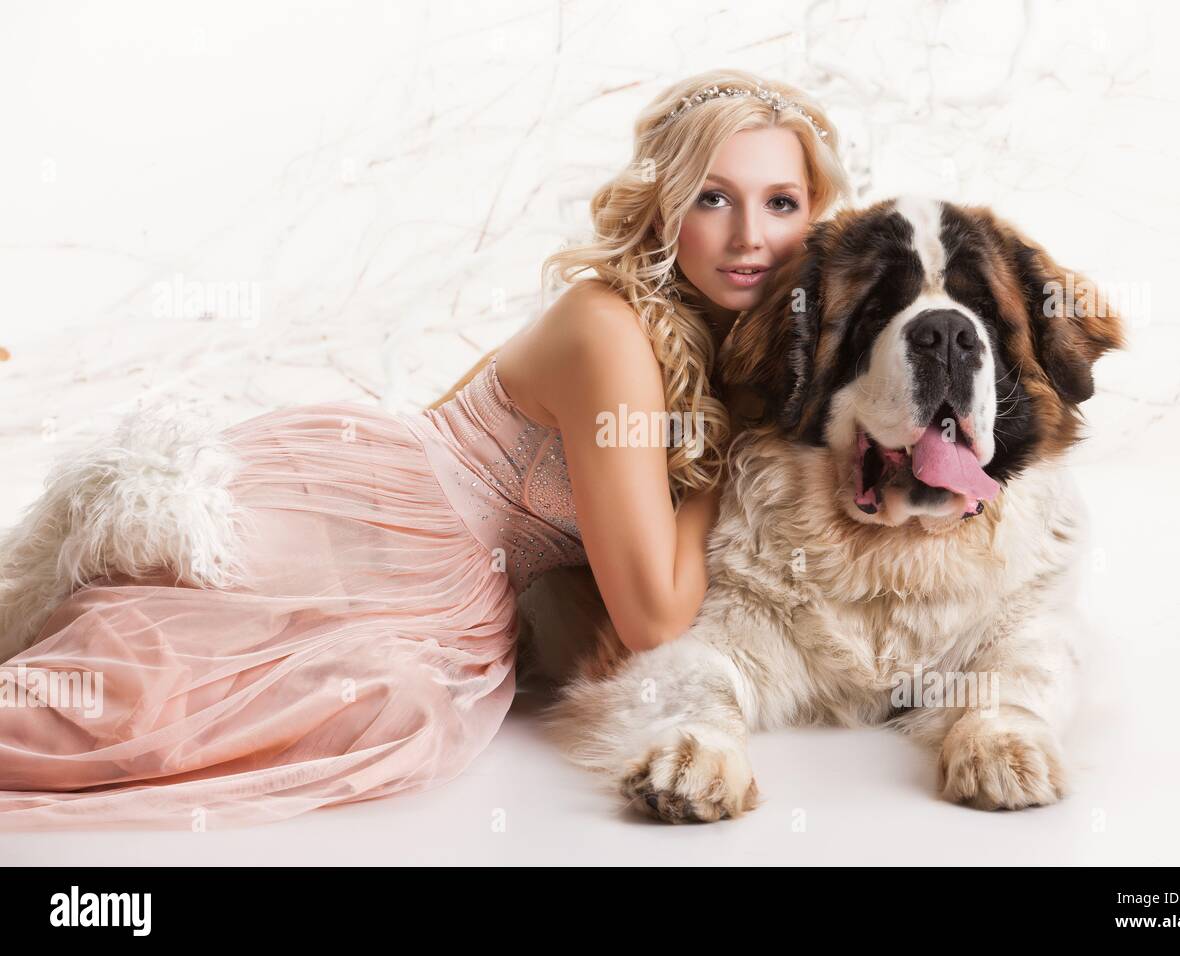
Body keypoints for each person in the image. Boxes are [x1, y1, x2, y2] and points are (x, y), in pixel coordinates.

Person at [0, 68, 851, 830]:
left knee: (322, 712)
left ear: (815, 218)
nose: (749, 236)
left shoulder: (701, 342)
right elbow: (652, 613)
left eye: (781, 202)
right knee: (126, 695)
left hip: (446, 584)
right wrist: (750, 434)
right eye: (713, 197)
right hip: (375, 526)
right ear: (666, 206)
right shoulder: (611, 330)